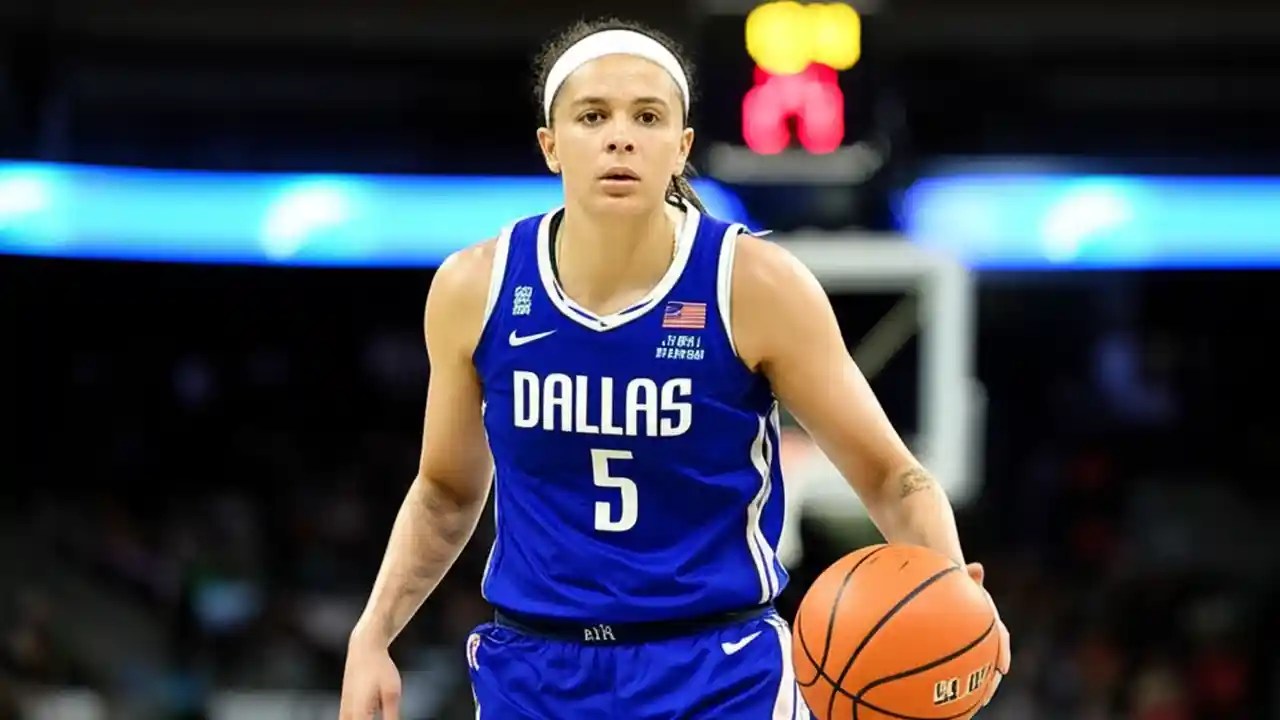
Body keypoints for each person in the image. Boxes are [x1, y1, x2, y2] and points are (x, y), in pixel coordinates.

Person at [339, 17, 1011, 720]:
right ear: (550, 145)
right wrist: (372, 635)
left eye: (648, 116)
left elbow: (893, 477)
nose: (620, 135)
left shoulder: (753, 284)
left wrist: (955, 605)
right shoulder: (474, 287)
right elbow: (446, 493)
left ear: (682, 146)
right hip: (535, 673)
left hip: (719, 674)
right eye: (592, 115)